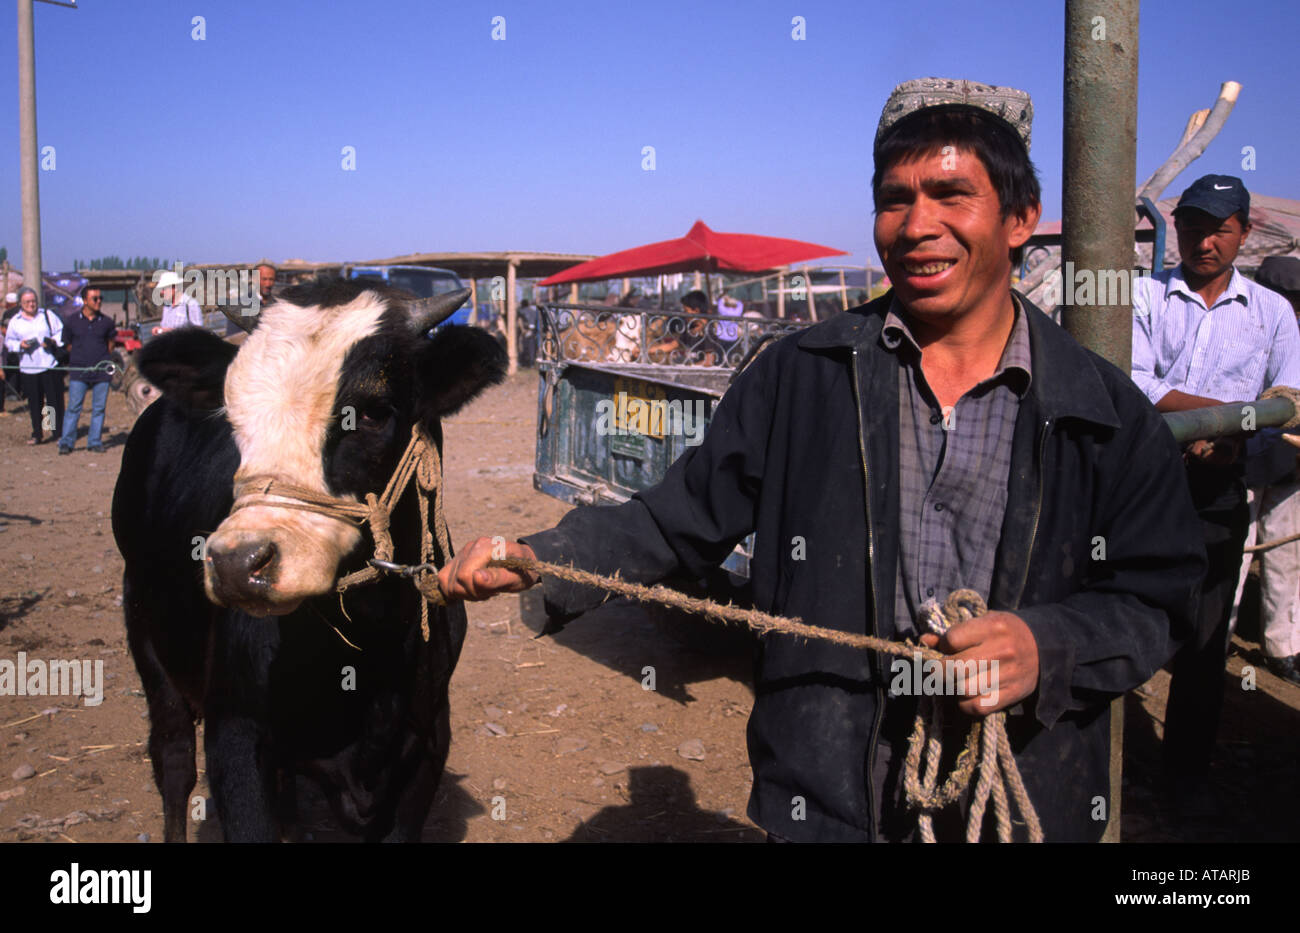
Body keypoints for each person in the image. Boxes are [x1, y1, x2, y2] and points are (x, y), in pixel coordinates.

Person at [439, 77, 1205, 842]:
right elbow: (681, 522)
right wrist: (549, 555)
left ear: (1020, 219)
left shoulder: (1101, 411)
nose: (916, 225)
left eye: (950, 194)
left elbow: (1160, 593)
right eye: (895, 198)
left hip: (1014, 800)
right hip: (828, 798)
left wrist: (1048, 644)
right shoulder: (800, 377)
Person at [1132, 176, 1300, 806]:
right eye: (1195, 226)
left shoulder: (1272, 312)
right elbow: (1135, 382)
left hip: (1220, 488)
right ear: (1177, 228)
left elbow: (1288, 399)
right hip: (1145, 485)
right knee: (1129, 612)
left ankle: (1184, 779)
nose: (1206, 240)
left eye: (1220, 229)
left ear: (1244, 233)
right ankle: (1109, 760)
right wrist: (1225, 418)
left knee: (1205, 642)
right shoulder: (1144, 297)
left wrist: (1227, 438)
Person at [1223, 256, 1300, 686]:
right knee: (1236, 554)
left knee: (1286, 557)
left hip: (1291, 465)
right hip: (1245, 461)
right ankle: (1214, 641)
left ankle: (1284, 646)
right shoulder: (1250, 330)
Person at [3, 287, 66, 445]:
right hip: (28, 367)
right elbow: (8, 342)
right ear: (20, 304)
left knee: (52, 401)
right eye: (27, 302)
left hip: (49, 364)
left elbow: (60, 332)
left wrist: (52, 341)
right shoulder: (15, 322)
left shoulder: (47, 315)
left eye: (33, 301)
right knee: (35, 402)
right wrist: (20, 345)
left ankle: (55, 432)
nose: (31, 304)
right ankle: (37, 433)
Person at [57, 287, 116, 454]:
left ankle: (94, 442)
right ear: (84, 301)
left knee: (99, 408)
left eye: (100, 298)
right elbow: (68, 344)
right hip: (78, 371)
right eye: (94, 298)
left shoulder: (106, 322)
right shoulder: (71, 321)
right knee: (74, 407)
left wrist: (101, 359)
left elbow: (111, 343)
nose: (99, 301)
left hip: (101, 372)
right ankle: (67, 442)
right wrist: (81, 357)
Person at [151, 270, 203, 336]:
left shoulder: (191, 304)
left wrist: (170, 331)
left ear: (175, 287)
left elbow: (199, 333)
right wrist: (159, 329)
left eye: (164, 289)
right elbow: (165, 328)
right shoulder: (167, 307)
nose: (161, 292)